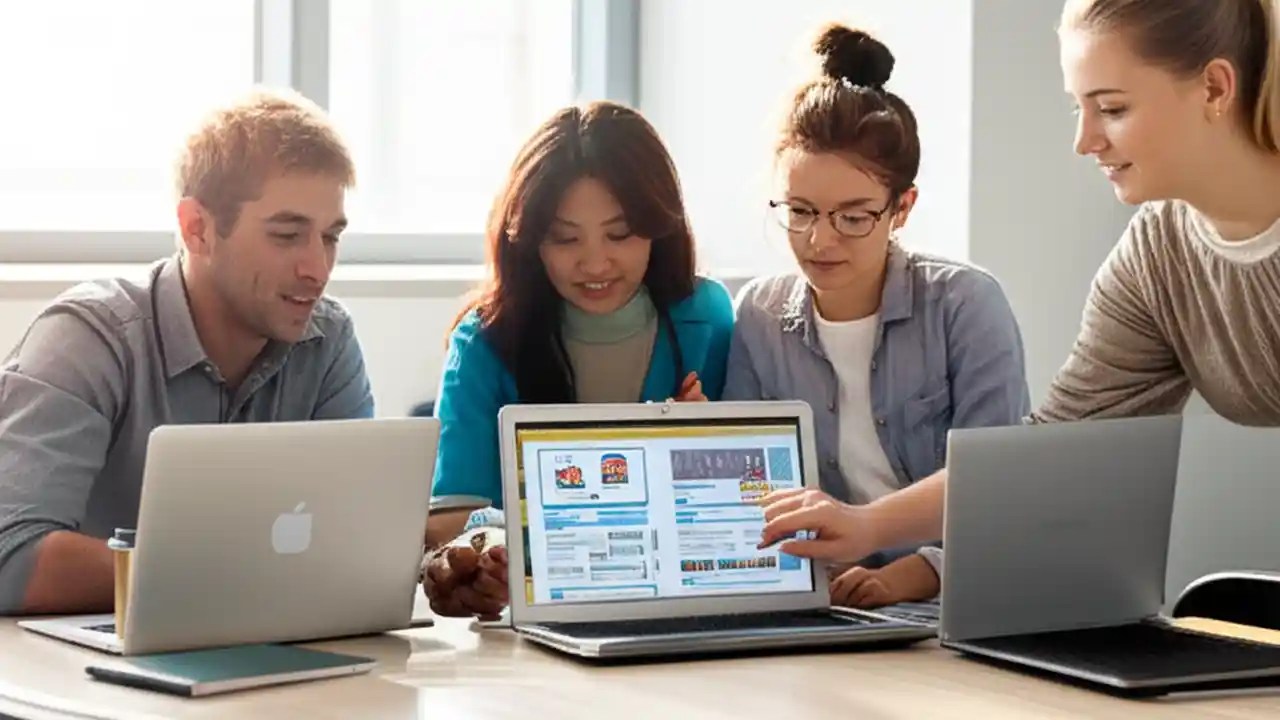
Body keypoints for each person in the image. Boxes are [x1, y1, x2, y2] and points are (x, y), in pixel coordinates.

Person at [758, 0, 1280, 567]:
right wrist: (867, 526)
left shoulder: (964, 299)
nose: (1084, 141)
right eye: (1078, 108)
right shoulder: (1156, 257)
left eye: (1111, 108)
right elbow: (1055, 451)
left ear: (1214, 88)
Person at [0, 88, 373, 615]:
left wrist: (433, 566)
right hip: (86, 654)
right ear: (197, 229)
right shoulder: (87, 339)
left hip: (259, 641)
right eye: (287, 235)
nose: (318, 268)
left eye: (330, 237)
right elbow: (11, 558)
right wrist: (231, 576)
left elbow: (359, 541)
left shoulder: (327, 342)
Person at [725, 25, 1029, 608]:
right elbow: (751, 490)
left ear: (902, 208)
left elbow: (999, 489)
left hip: (953, 603)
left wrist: (912, 575)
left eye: (854, 217)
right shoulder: (758, 317)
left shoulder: (965, 305)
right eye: (800, 211)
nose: (821, 240)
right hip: (824, 599)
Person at [422, 101, 734, 620]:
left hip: (676, 608)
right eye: (565, 238)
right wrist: (490, 555)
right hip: (536, 620)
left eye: (620, 234)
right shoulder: (484, 340)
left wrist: (692, 459)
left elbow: (745, 500)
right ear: (528, 240)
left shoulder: (707, 318)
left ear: (660, 226)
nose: (594, 263)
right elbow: (450, 518)